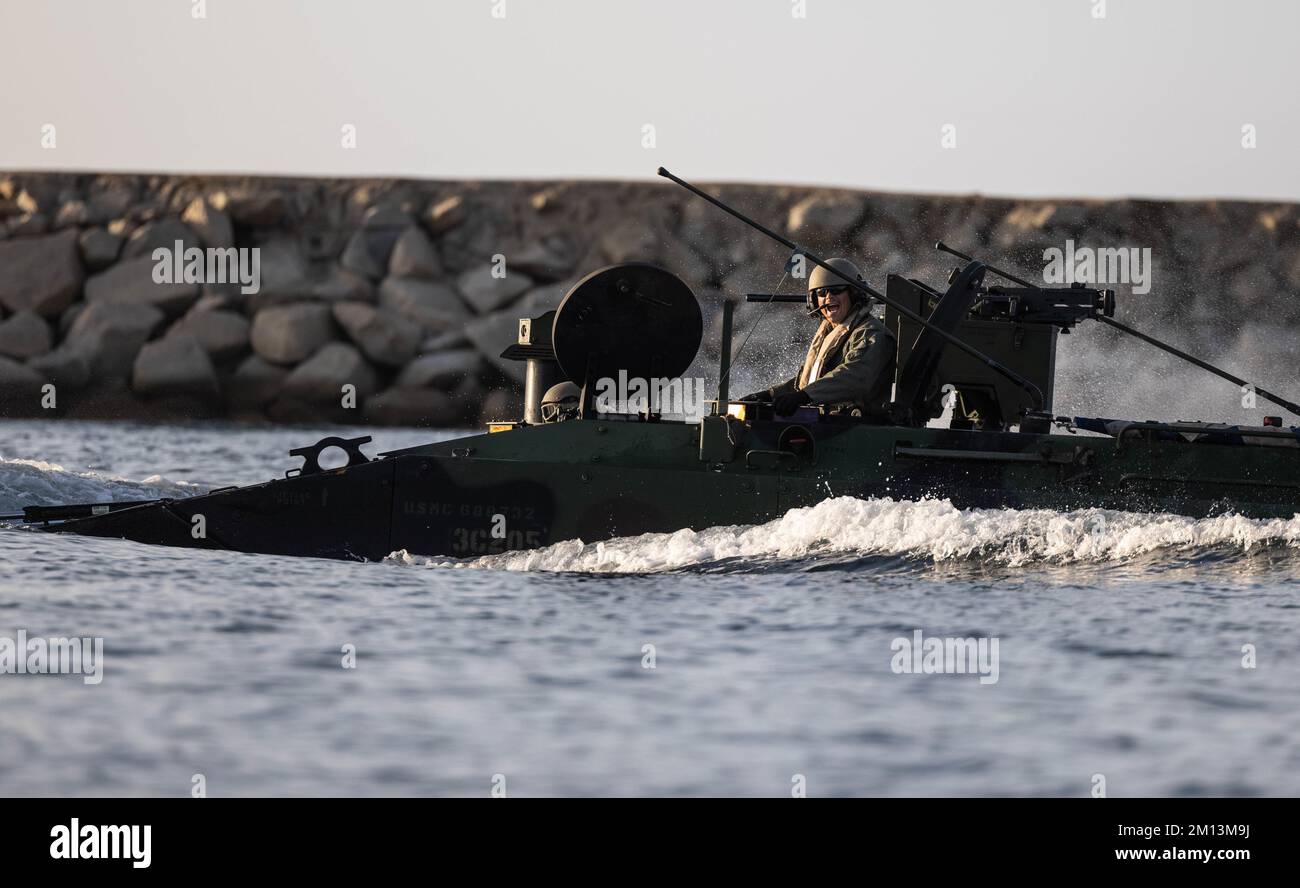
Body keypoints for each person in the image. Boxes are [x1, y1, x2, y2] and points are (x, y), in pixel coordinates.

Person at [741, 258, 896, 417]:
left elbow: (853, 377)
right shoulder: (830, 332)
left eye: (836, 290)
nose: (829, 298)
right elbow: (807, 383)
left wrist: (804, 396)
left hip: (858, 427)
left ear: (854, 293)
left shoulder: (871, 333)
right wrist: (770, 395)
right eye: (822, 293)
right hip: (826, 424)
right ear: (814, 301)